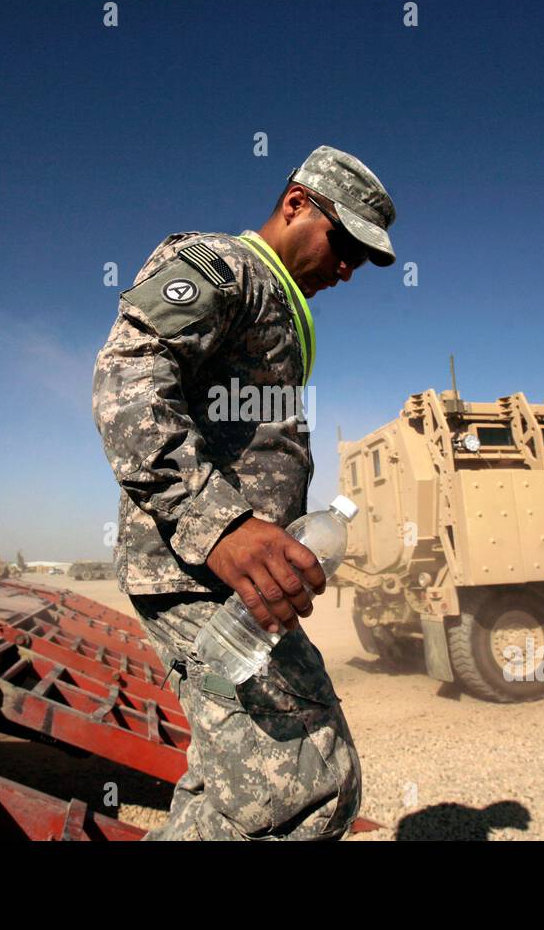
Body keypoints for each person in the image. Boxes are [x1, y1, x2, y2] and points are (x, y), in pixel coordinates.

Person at [93, 145, 397, 840]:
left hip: (235, 586)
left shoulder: (282, 304)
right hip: (198, 569)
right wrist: (221, 525)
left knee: (226, 785)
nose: (347, 270)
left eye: (361, 260)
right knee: (307, 789)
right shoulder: (226, 266)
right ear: (295, 204)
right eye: (344, 244)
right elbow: (127, 377)